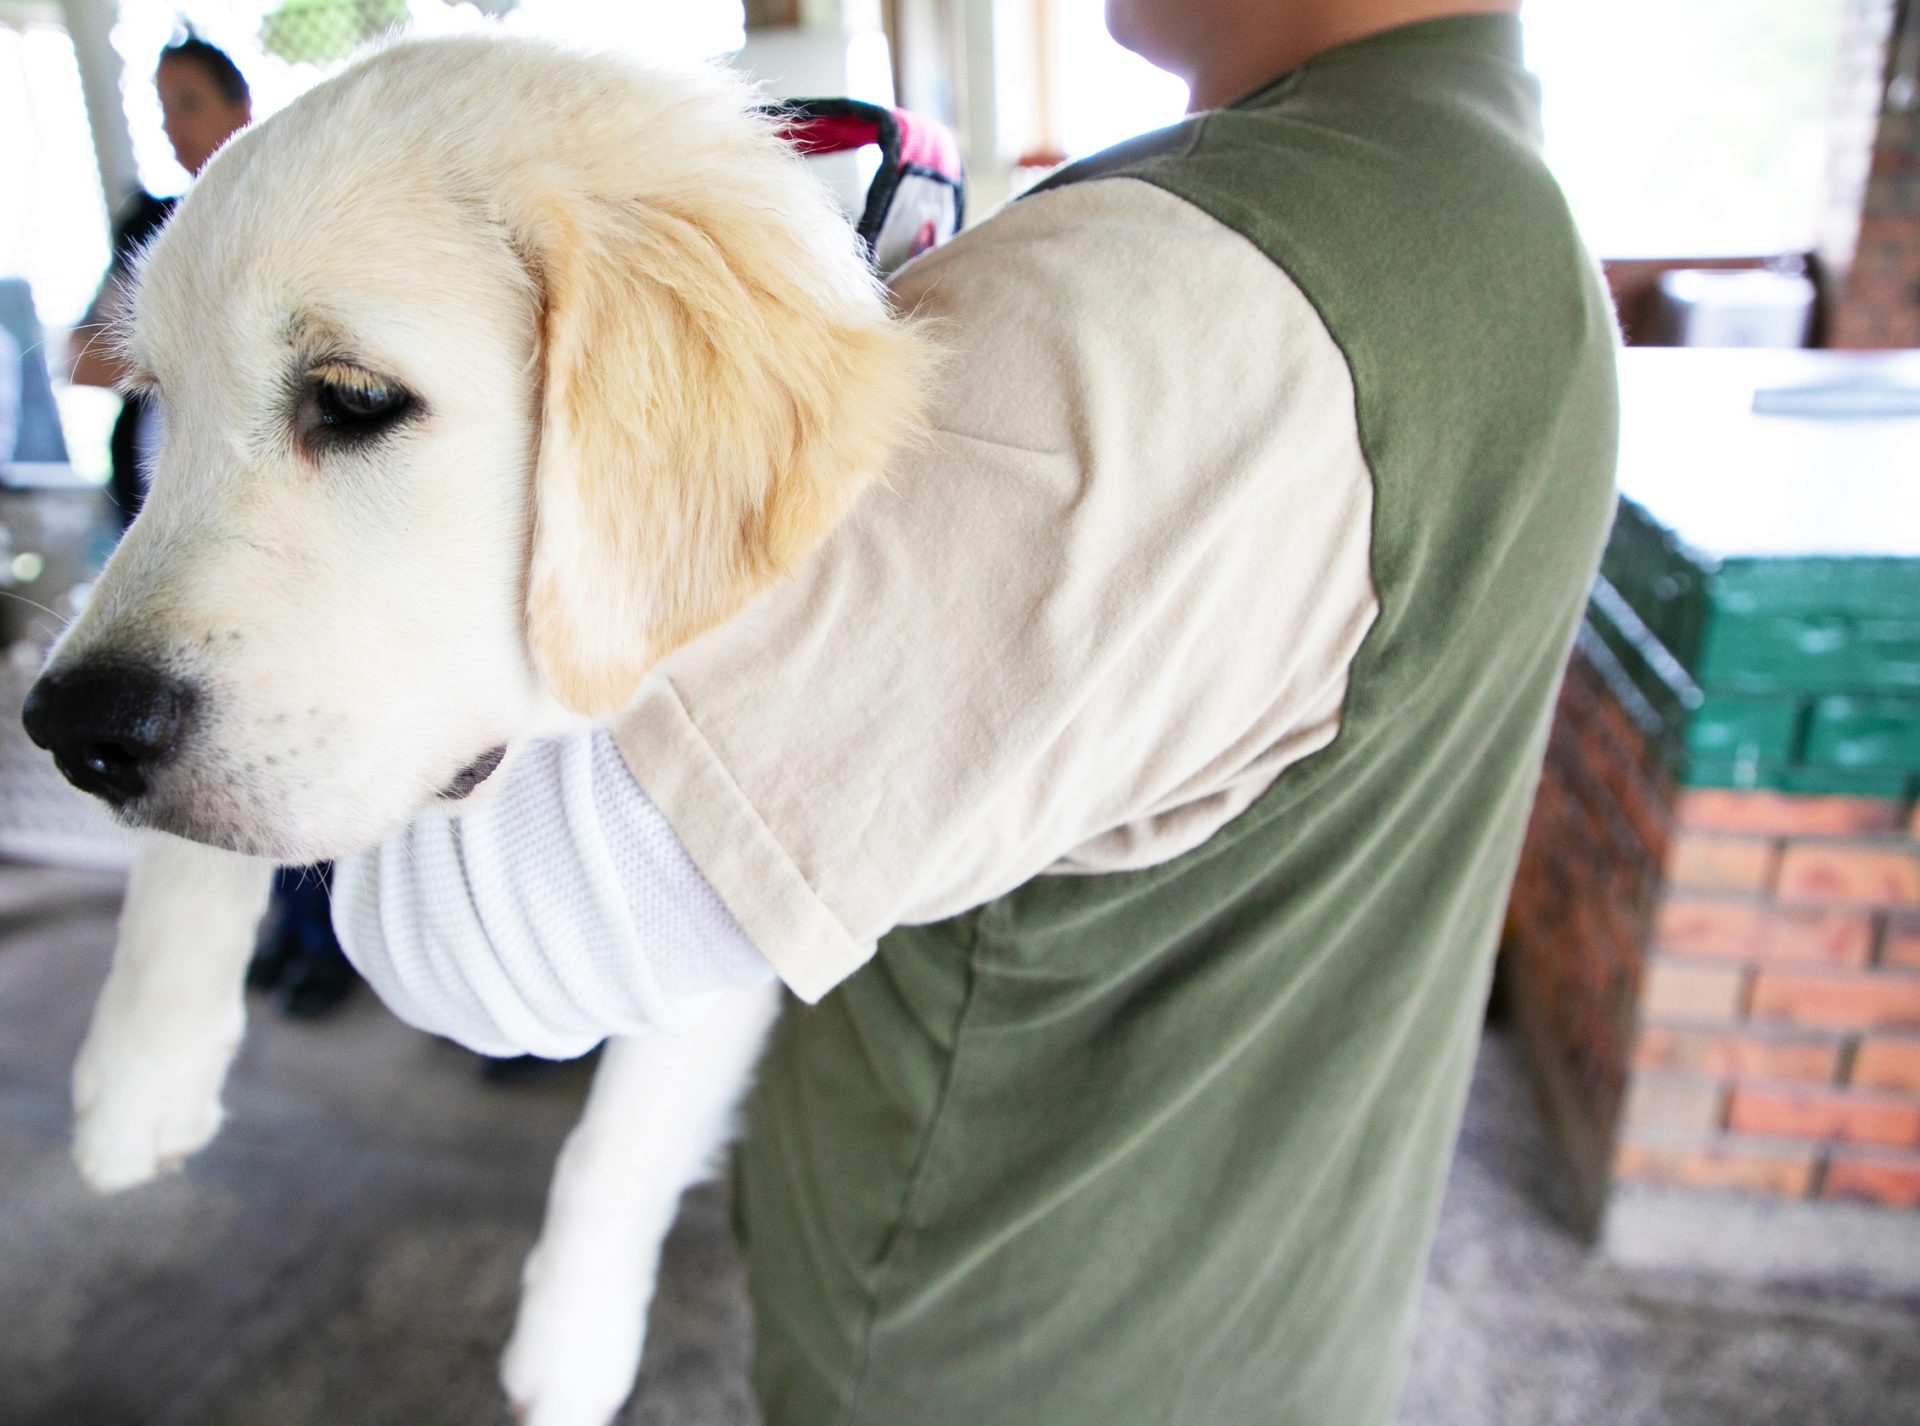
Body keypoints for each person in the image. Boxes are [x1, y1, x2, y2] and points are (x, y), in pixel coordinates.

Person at [335, 0, 1620, 1420]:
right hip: (1261, 1310)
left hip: (993, 1341)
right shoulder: (1506, 222)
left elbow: (477, 933)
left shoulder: (1169, 305)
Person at [67, 32, 251, 526]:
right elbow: (82, 360)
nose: (174, 125)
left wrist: (161, 356)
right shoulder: (148, 225)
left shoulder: (283, 220)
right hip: (144, 493)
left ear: (243, 107)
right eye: (164, 107)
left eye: (189, 102)